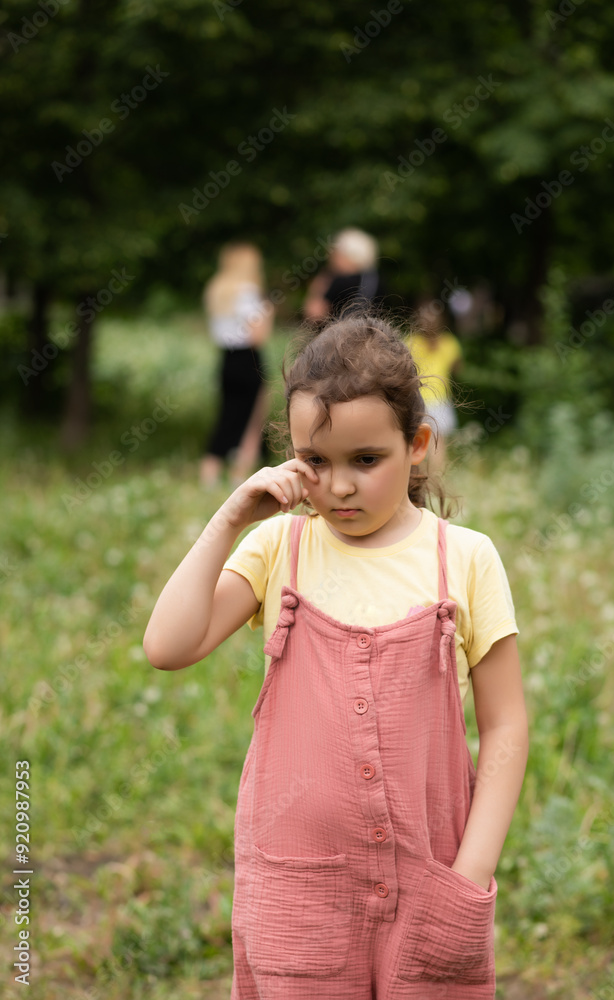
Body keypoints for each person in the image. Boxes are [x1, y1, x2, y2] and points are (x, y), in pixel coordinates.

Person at [144, 313, 529, 1000]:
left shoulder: (463, 559)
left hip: (431, 882)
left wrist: (468, 876)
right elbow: (167, 647)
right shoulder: (278, 549)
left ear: (416, 445)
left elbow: (505, 724)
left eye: (365, 460)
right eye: (314, 462)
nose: (340, 487)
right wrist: (229, 518)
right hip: (298, 895)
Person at [200, 242, 274, 488]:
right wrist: (268, 313)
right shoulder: (248, 292)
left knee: (227, 416)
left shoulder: (217, 290)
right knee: (252, 421)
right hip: (249, 359)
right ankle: (239, 476)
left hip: (226, 359)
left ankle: (209, 473)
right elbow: (258, 335)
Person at [407, 296, 463, 472]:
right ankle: (435, 477)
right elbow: (458, 369)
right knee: (437, 443)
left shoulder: (411, 342)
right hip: (434, 399)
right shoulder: (449, 343)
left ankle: (424, 477)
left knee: (419, 442)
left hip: (423, 399)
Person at [303, 227, 385, 320]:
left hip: (339, 333)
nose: (331, 258)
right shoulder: (377, 281)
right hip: (371, 332)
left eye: (336, 253)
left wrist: (316, 290)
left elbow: (314, 315)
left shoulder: (340, 283)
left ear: (348, 256)